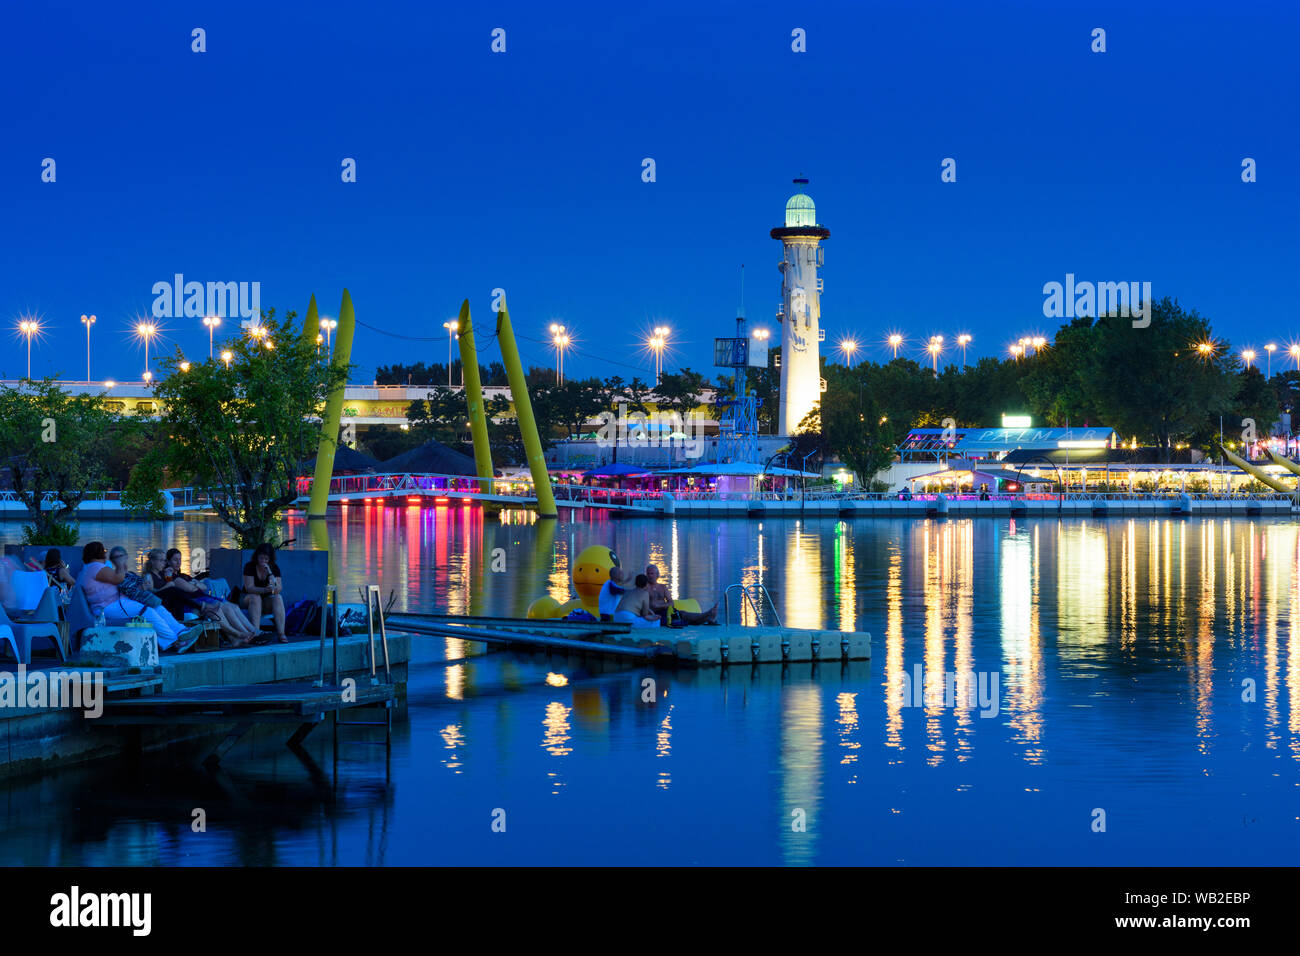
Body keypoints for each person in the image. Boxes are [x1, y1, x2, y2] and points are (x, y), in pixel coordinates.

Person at [75, 542, 200, 653]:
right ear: (99, 553)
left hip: (115, 603)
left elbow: (117, 579)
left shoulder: (90, 569)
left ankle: (181, 631)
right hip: (108, 606)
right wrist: (119, 564)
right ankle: (176, 641)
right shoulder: (94, 567)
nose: (105, 554)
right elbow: (118, 578)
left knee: (156, 607)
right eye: (104, 552)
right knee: (147, 611)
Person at [145, 548, 258, 648]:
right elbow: (152, 593)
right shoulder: (157, 576)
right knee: (217, 610)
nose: (163, 563)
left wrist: (192, 583)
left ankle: (247, 633)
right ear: (153, 561)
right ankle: (240, 634)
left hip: (188, 601)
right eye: (162, 560)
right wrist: (173, 584)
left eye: (164, 560)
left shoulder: (165, 575)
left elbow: (202, 587)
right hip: (178, 606)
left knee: (229, 607)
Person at [242, 543, 287, 643]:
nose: (263, 561)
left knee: (278, 598)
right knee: (256, 597)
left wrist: (270, 573)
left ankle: (281, 633)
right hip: (248, 599)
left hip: (266, 601)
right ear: (257, 556)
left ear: (270, 559)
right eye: (261, 558)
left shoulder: (274, 568)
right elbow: (249, 588)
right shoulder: (250, 566)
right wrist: (265, 590)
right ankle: (256, 633)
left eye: (266, 559)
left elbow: (278, 589)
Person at [645, 564, 717, 625]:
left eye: (652, 573)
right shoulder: (644, 588)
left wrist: (660, 606)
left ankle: (707, 616)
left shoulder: (662, 587)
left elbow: (671, 603)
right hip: (653, 613)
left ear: (657, 575)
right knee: (685, 618)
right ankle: (708, 615)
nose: (650, 576)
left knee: (683, 614)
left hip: (665, 611)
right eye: (648, 574)